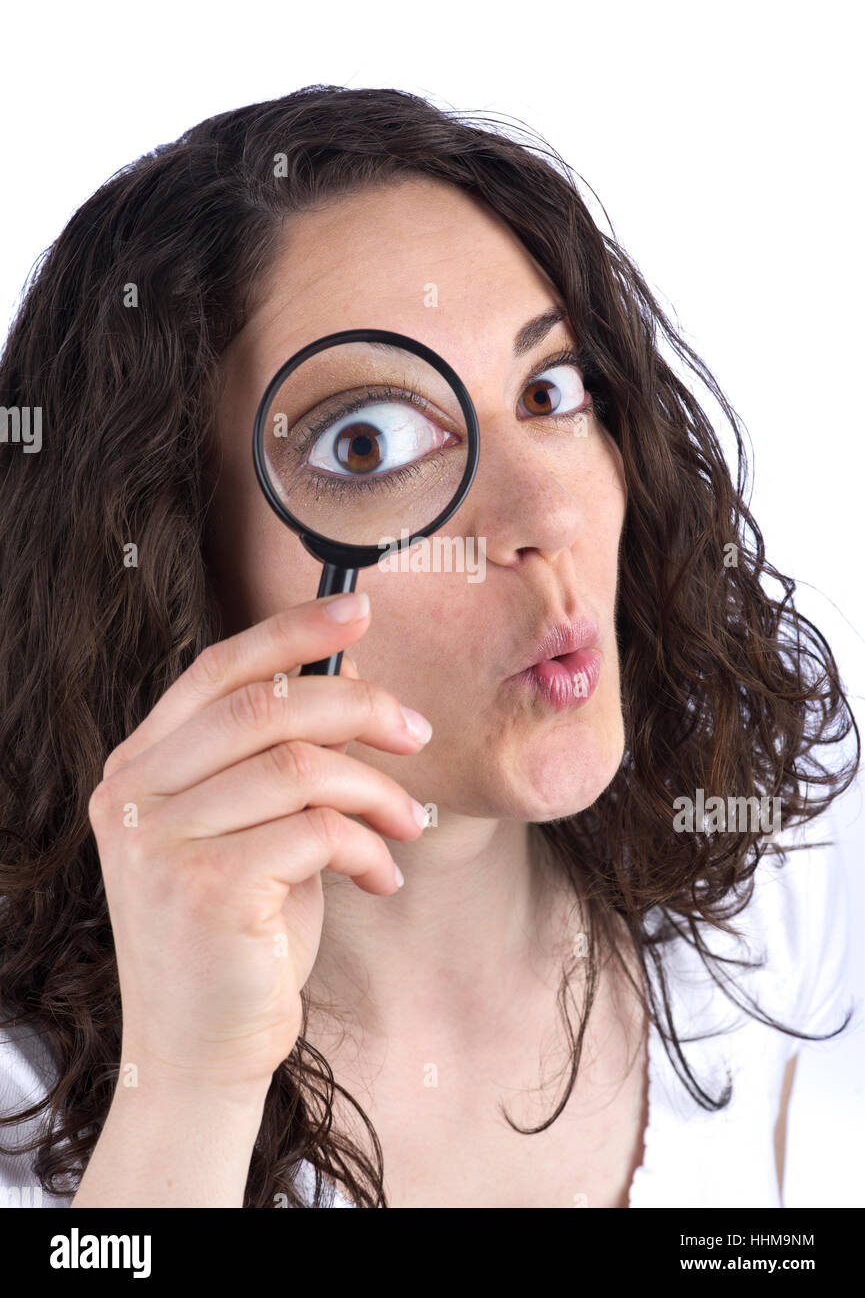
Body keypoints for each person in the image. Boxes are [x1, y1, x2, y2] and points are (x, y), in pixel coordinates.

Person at [0, 85, 858, 1209]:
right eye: (369, 442)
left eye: (551, 390)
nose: (546, 514)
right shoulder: (26, 1100)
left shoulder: (777, 872)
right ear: (174, 565)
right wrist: (188, 1084)